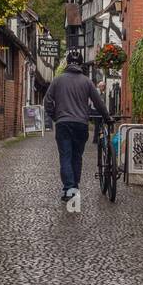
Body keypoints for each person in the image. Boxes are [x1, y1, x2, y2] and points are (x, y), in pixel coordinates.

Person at [44, 51, 113, 203]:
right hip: (81, 124)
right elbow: (98, 103)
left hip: (63, 124)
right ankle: (73, 188)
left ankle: (69, 189)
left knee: (66, 156)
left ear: (68, 63)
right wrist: (107, 118)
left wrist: (56, 117)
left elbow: (47, 102)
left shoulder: (57, 80)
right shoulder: (87, 82)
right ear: (81, 64)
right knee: (76, 157)